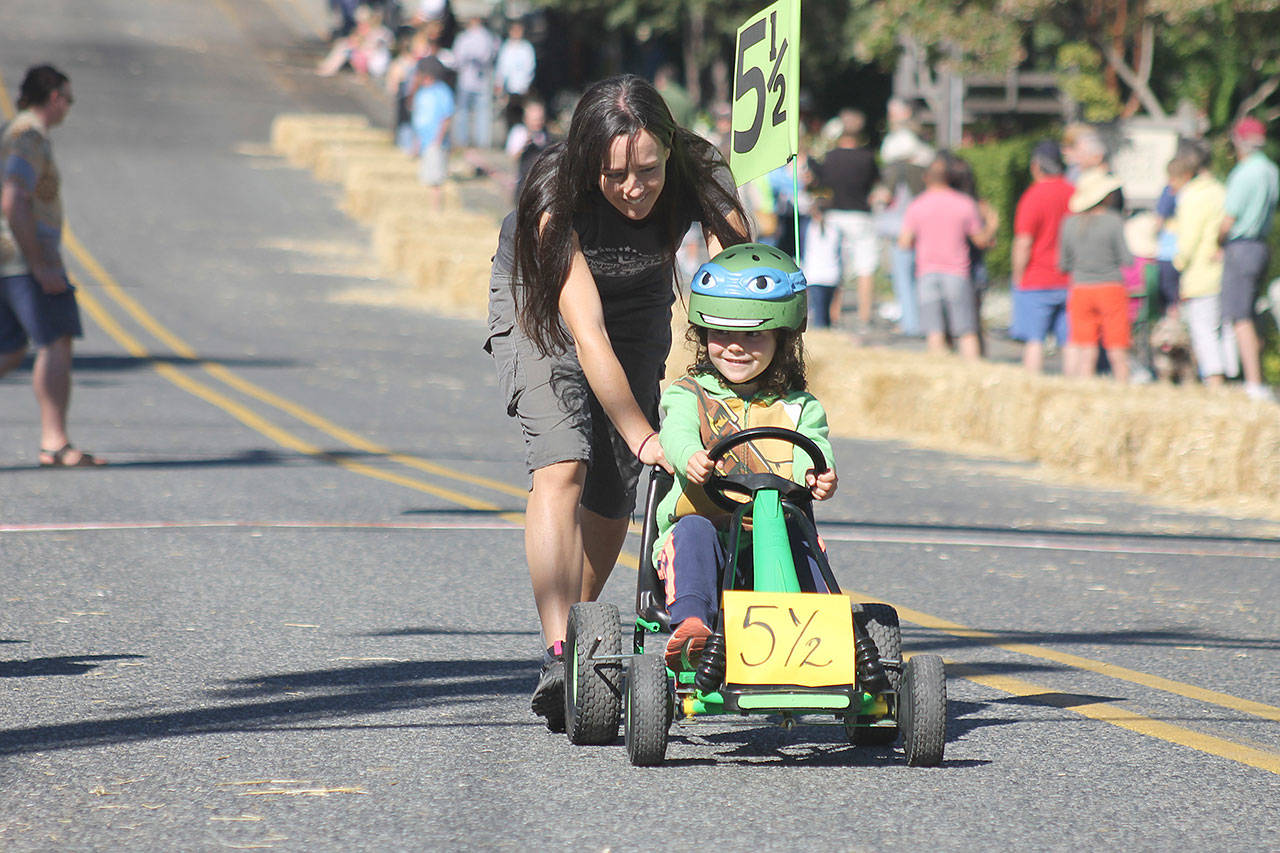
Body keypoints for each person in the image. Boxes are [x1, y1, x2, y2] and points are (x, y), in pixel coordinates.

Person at [483, 74, 748, 731]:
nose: (635, 189)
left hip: (638, 298)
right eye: (616, 175)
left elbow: (738, 278)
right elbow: (587, 333)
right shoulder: (555, 192)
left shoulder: (700, 169)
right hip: (545, 308)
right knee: (565, 459)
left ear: (668, 149)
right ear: (588, 163)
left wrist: (743, 385)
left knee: (615, 488)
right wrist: (642, 432)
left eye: (649, 171)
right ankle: (557, 652)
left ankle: (585, 636)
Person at [653, 243, 889, 692]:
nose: (736, 347)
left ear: (783, 337)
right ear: (702, 334)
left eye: (755, 336)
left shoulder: (799, 406)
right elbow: (675, 432)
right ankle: (694, 633)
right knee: (695, 532)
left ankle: (832, 641)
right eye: (722, 334)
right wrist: (690, 456)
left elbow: (812, 447)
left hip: (773, 531)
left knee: (803, 539)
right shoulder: (689, 393)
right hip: (708, 528)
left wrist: (819, 476)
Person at [0, 65, 103, 467]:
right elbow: (13, 197)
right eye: (69, 99)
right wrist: (41, 264)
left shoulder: (10, 131)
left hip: (6, 258)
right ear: (55, 97)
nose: (69, 107)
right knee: (56, 339)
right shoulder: (27, 138)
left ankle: (55, 441)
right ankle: (54, 442)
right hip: (24, 260)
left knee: (9, 349)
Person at [898, 154, 996, 360]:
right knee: (966, 331)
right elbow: (980, 241)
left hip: (927, 273)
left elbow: (904, 243)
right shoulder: (964, 203)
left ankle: (940, 376)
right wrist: (993, 224)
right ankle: (974, 374)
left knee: (935, 333)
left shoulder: (917, 205)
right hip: (957, 273)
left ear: (926, 178)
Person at [1218, 116, 1279, 401]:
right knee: (1253, 314)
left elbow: (1229, 219)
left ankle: (1253, 382)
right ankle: (1258, 379)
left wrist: (1216, 242)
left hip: (1241, 246)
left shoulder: (1244, 173)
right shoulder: (1270, 170)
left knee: (1240, 315)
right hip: (1261, 247)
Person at [1168, 149, 1236, 387]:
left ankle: (1214, 381)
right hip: (1224, 269)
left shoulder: (1193, 197)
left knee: (1203, 329)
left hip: (1200, 273)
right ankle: (1232, 377)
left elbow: (1189, 239)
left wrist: (1178, 263)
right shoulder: (1221, 190)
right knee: (1225, 327)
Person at [1059, 171, 1134, 383]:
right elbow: (1126, 259)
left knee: (1086, 352)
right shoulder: (1113, 222)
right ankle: (1123, 390)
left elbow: (1063, 263)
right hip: (1111, 288)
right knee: (1117, 350)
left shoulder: (1069, 224)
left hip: (1081, 289)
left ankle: (1085, 393)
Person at [808, 110, 879, 328]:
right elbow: (874, 185)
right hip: (860, 215)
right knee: (865, 267)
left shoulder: (830, 157)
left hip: (834, 214)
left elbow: (818, 182)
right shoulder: (867, 158)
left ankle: (833, 313)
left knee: (834, 266)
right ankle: (864, 316)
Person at [1009, 140, 1075, 373]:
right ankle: (1074, 386)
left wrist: (1018, 275)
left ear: (1036, 166)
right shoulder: (1074, 193)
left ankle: (1032, 384)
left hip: (1036, 278)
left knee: (1034, 341)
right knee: (1070, 342)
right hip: (1070, 278)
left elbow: (1023, 242)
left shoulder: (1032, 197)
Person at [450, 15, 499, 152]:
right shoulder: (484, 37)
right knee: (474, 112)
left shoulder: (470, 37)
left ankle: (469, 142)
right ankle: (477, 142)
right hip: (472, 81)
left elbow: (456, 60)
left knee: (471, 112)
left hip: (475, 81)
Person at [409, 56, 454, 198]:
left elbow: (446, 117)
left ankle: (436, 209)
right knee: (426, 178)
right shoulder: (421, 93)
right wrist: (416, 143)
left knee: (435, 179)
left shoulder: (442, 91)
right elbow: (418, 120)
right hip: (424, 142)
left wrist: (438, 140)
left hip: (435, 142)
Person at [801, 194, 841, 328]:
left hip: (814, 276)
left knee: (819, 315)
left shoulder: (808, 228)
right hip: (831, 275)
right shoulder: (835, 228)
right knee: (825, 315)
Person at [494, 20, 536, 130]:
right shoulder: (506, 47)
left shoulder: (526, 48)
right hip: (509, 88)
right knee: (509, 115)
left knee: (522, 115)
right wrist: (499, 84)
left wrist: (526, 85)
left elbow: (529, 67)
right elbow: (502, 67)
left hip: (522, 88)